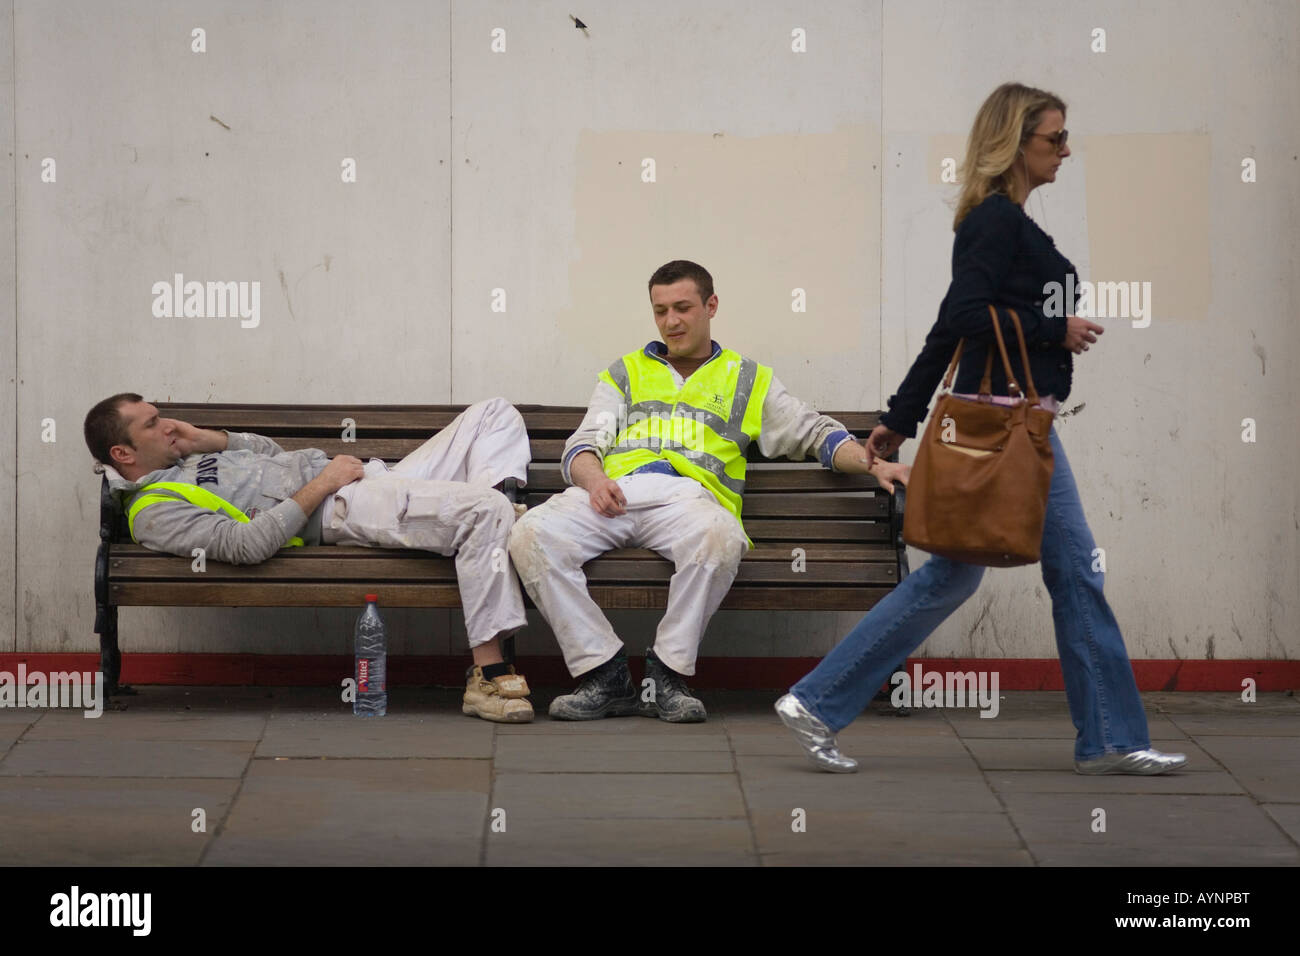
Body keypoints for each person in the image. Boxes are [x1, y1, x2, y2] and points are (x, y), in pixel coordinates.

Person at [776, 82, 1187, 776]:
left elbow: (949, 326)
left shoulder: (1004, 222)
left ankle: (816, 702)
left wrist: (897, 420)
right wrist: (1055, 327)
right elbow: (966, 317)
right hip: (1004, 430)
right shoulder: (996, 222)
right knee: (1054, 572)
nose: (1065, 149)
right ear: (1015, 143)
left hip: (1015, 425)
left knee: (986, 576)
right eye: (1054, 137)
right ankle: (1113, 737)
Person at [509, 260, 910, 723]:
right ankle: (605, 673)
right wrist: (595, 480)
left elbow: (813, 433)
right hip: (614, 493)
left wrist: (873, 463)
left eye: (682, 307)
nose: (671, 321)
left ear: (711, 305)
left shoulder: (748, 379)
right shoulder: (624, 373)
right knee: (529, 535)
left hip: (688, 502)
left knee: (721, 536)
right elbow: (583, 444)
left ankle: (666, 676)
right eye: (660, 311)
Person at [83, 393, 537, 723]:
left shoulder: (182, 459)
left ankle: (494, 521)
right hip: (341, 505)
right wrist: (326, 482)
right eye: (151, 425)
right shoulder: (155, 512)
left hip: (372, 478)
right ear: (122, 454)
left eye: (160, 416)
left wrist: (206, 438)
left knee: (494, 412)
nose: (167, 425)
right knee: (485, 511)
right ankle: (488, 674)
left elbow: (275, 456)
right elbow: (246, 546)